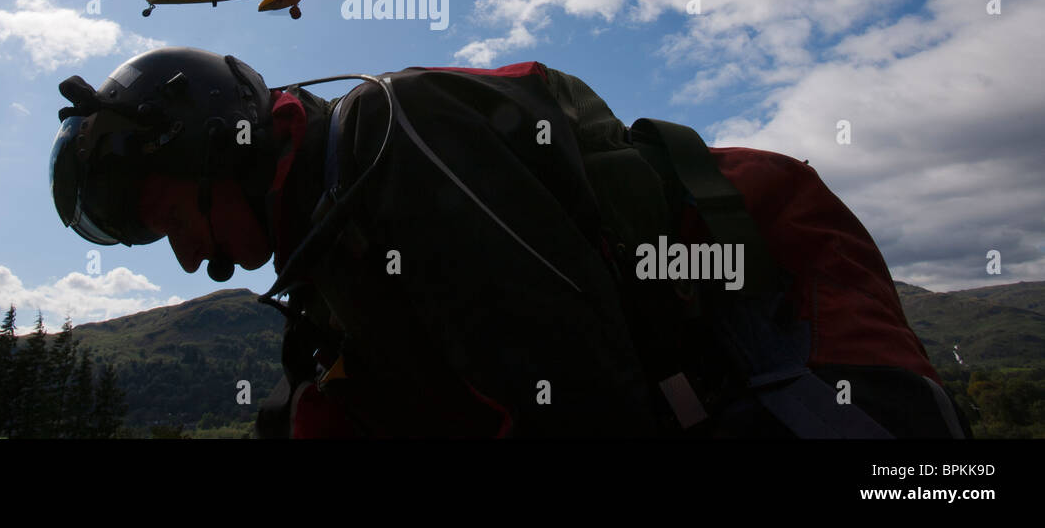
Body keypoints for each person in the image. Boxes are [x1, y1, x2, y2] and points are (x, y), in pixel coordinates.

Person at [48, 47, 968, 438]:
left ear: (224, 148)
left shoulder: (388, 135)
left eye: (171, 218)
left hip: (793, 350)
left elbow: (579, 406)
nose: (183, 258)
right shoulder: (332, 258)